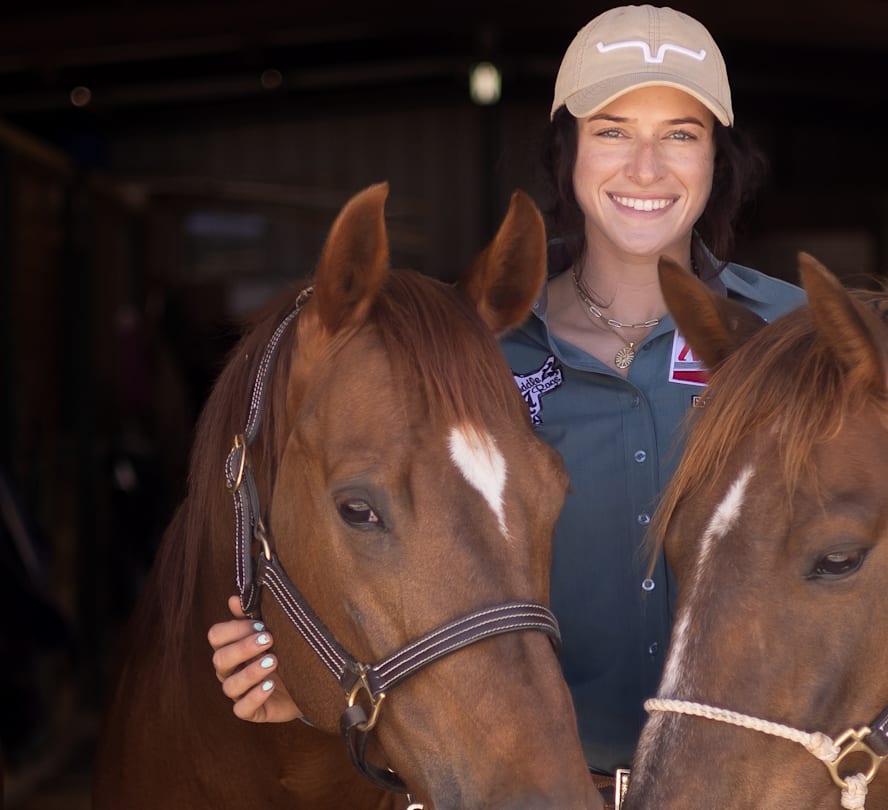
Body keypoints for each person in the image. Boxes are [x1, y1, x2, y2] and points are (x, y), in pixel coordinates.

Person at [206, 3, 805, 800]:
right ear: (568, 152)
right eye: (613, 130)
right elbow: (397, 557)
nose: (647, 167)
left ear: (716, 159)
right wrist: (311, 688)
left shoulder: (798, 339)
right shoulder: (472, 357)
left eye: (682, 134)